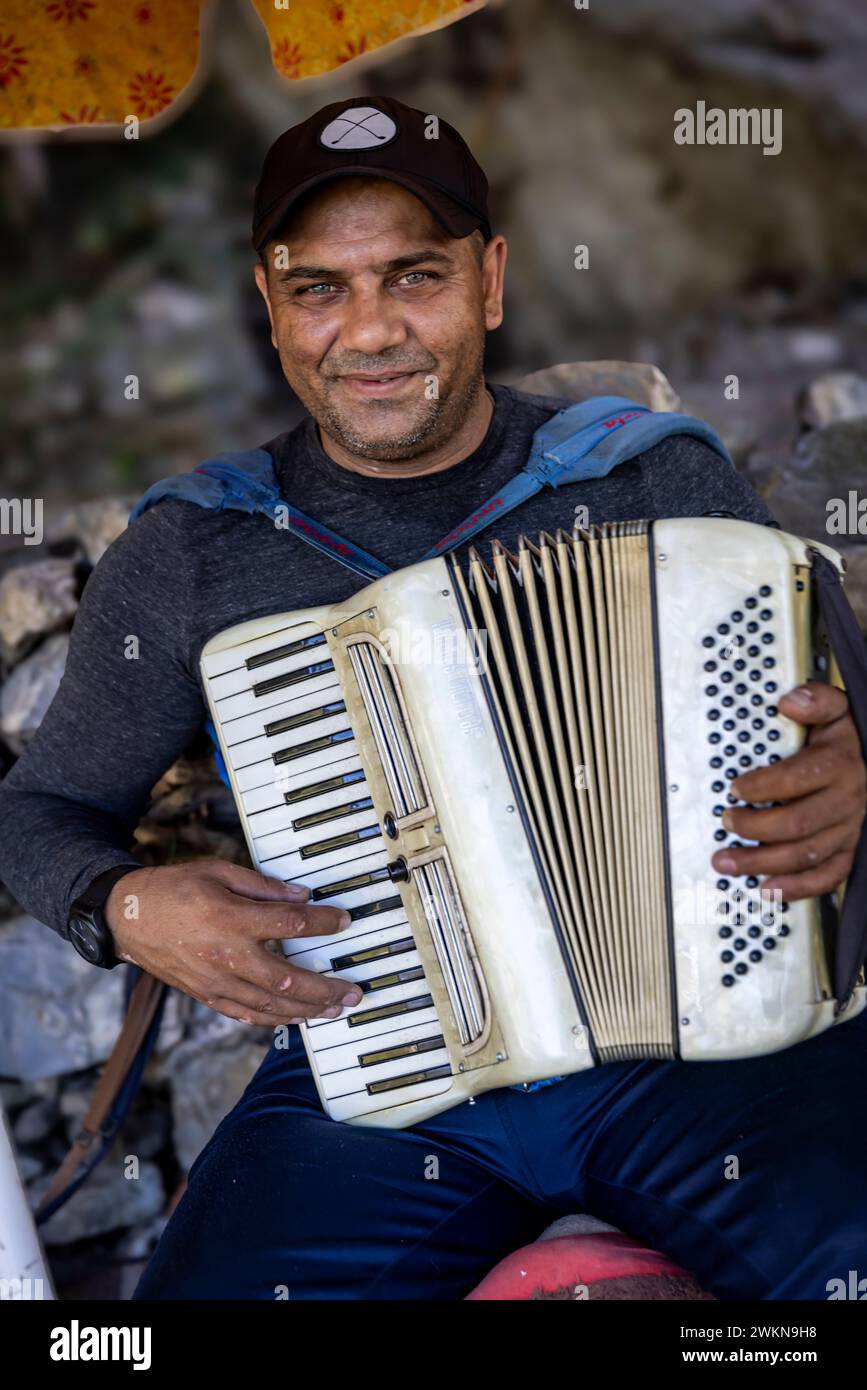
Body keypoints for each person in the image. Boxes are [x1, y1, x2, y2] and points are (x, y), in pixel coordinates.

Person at [1, 96, 864, 1301]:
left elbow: (831, 726)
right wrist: (129, 905)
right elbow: (37, 810)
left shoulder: (656, 476)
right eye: (320, 289)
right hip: (381, 1069)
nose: (369, 331)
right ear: (270, 303)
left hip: (703, 1044)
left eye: (415, 275)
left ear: (492, 280)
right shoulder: (196, 551)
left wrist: (852, 784)